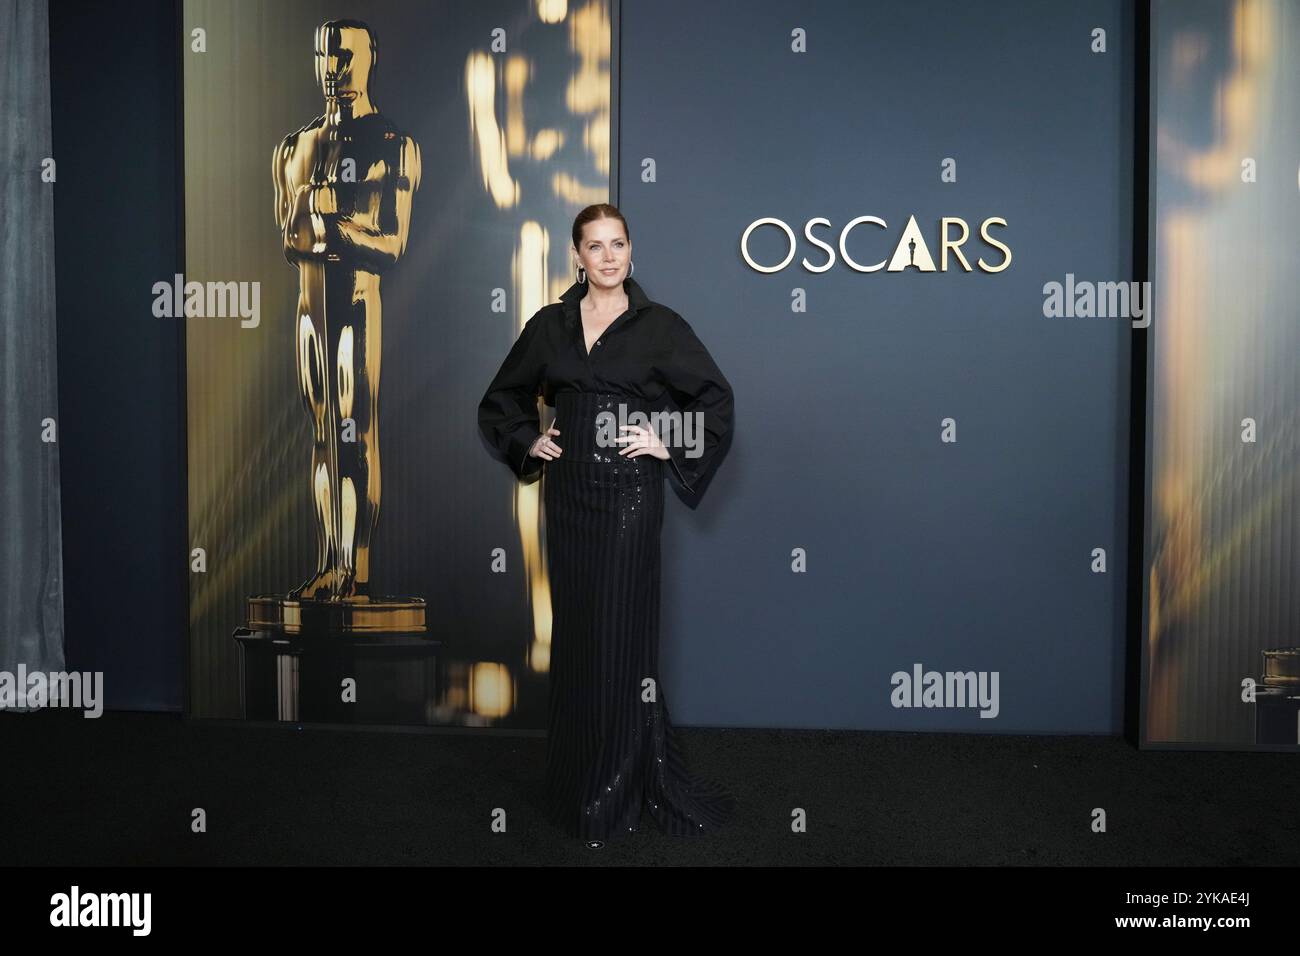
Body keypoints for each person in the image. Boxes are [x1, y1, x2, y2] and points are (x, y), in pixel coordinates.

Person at [478, 203, 737, 845]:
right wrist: (527, 442)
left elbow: (715, 401)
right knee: (578, 633)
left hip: (628, 495)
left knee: (619, 635)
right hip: (568, 497)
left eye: (618, 243)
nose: (608, 256)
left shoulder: (660, 327)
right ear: (577, 256)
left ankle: (622, 786)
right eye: (595, 246)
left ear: (631, 252)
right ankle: (576, 781)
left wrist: (665, 439)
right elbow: (499, 401)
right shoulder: (550, 325)